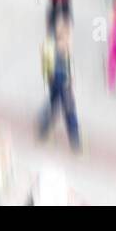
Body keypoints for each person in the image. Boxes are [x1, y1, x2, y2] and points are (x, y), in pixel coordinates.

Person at [37, 17, 81, 151]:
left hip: (57, 81)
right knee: (69, 110)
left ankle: (44, 128)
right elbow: (65, 68)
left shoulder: (55, 46)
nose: (71, 40)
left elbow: (48, 63)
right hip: (61, 82)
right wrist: (71, 82)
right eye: (69, 36)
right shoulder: (59, 48)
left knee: (53, 105)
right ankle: (75, 139)